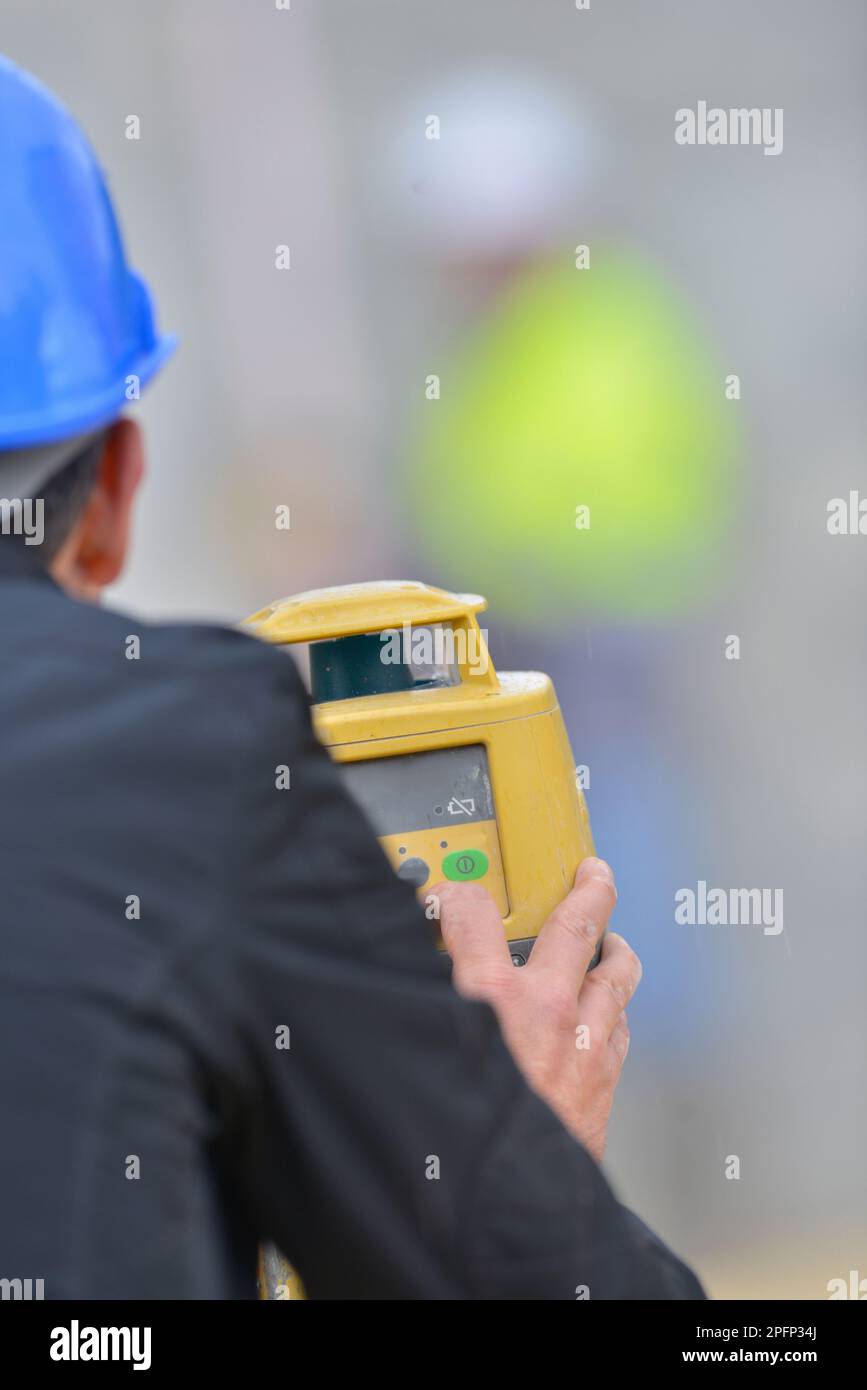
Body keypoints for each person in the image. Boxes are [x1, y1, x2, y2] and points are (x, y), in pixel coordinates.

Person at [0, 55, 703, 1300]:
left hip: (587, 649)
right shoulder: (186, 745)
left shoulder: (588, 342)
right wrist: (492, 1167)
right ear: (111, 491)